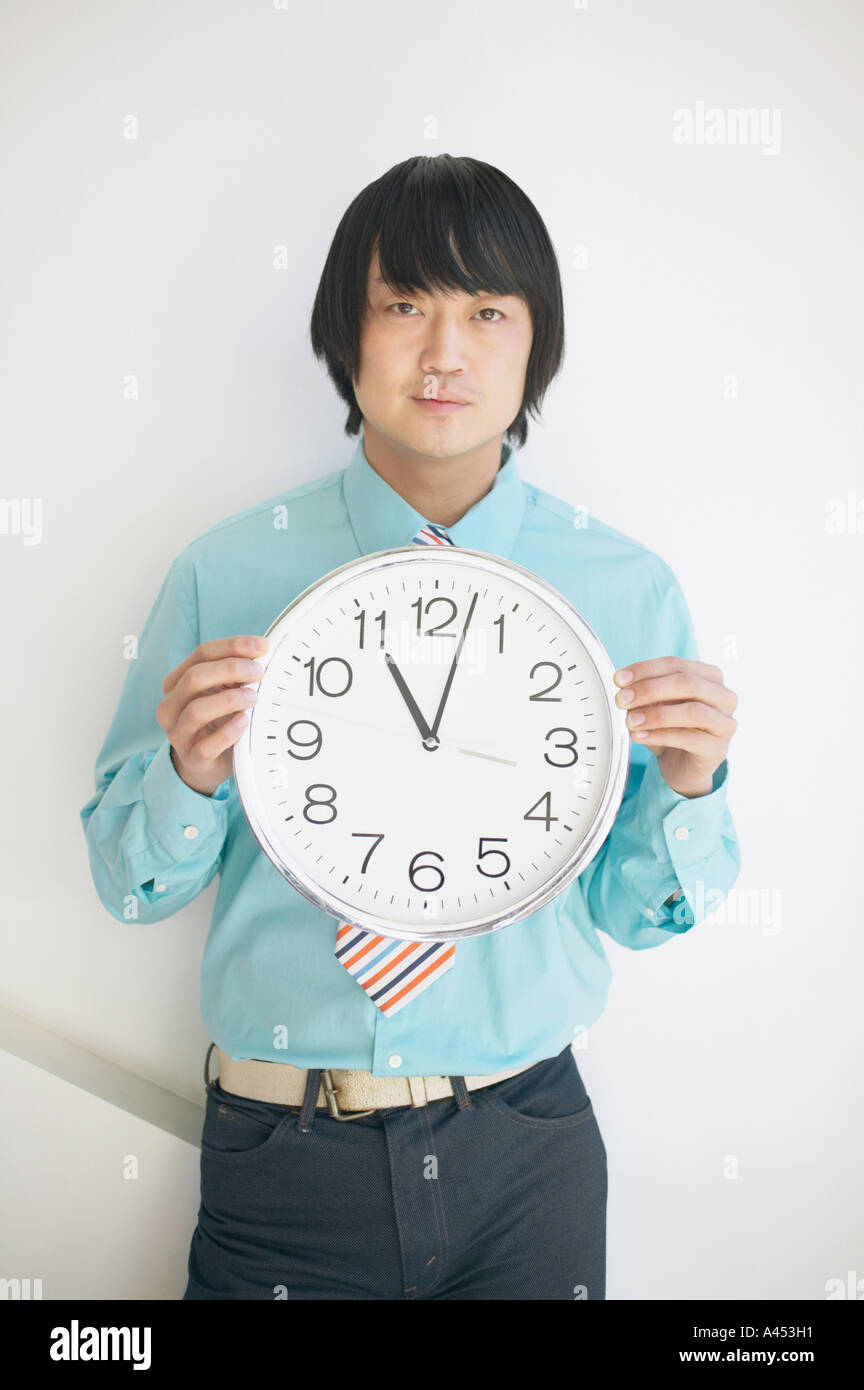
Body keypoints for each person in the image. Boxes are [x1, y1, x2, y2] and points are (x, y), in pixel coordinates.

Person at [80, 153, 741, 1301]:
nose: (446, 352)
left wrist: (689, 790)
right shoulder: (228, 570)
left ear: (538, 342)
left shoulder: (625, 592)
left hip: (527, 1147)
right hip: (282, 1153)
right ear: (348, 333)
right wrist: (188, 774)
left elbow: (642, 918)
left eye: (488, 311)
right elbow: (126, 888)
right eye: (404, 306)